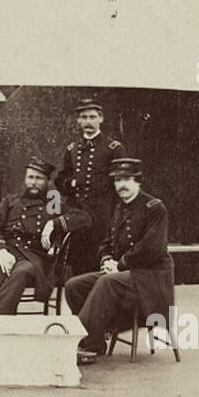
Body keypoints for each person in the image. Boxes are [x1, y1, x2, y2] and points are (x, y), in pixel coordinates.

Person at [64, 158, 175, 362]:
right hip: (126, 276)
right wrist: (106, 259)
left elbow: (152, 249)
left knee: (106, 282)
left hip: (150, 280)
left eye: (126, 179)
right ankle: (95, 342)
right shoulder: (120, 208)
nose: (121, 185)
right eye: (117, 180)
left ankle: (82, 342)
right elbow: (106, 242)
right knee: (74, 285)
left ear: (138, 181)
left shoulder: (154, 208)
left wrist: (120, 264)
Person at [0, 157, 87, 315]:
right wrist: (1, 251)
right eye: (30, 177)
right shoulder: (11, 201)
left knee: (22, 271)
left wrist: (55, 223)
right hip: (6, 251)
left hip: (34, 257)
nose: (34, 182)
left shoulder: (52, 202)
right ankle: (1, 316)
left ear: (48, 182)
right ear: (25, 179)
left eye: (39, 178)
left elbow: (83, 217)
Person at [56, 97, 125, 276]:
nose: (88, 122)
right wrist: (70, 183)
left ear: (101, 119)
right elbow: (61, 179)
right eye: (84, 117)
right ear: (78, 120)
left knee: (102, 264)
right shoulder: (72, 149)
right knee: (79, 265)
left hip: (104, 218)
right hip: (78, 217)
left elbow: (123, 185)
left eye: (92, 117)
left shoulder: (113, 148)